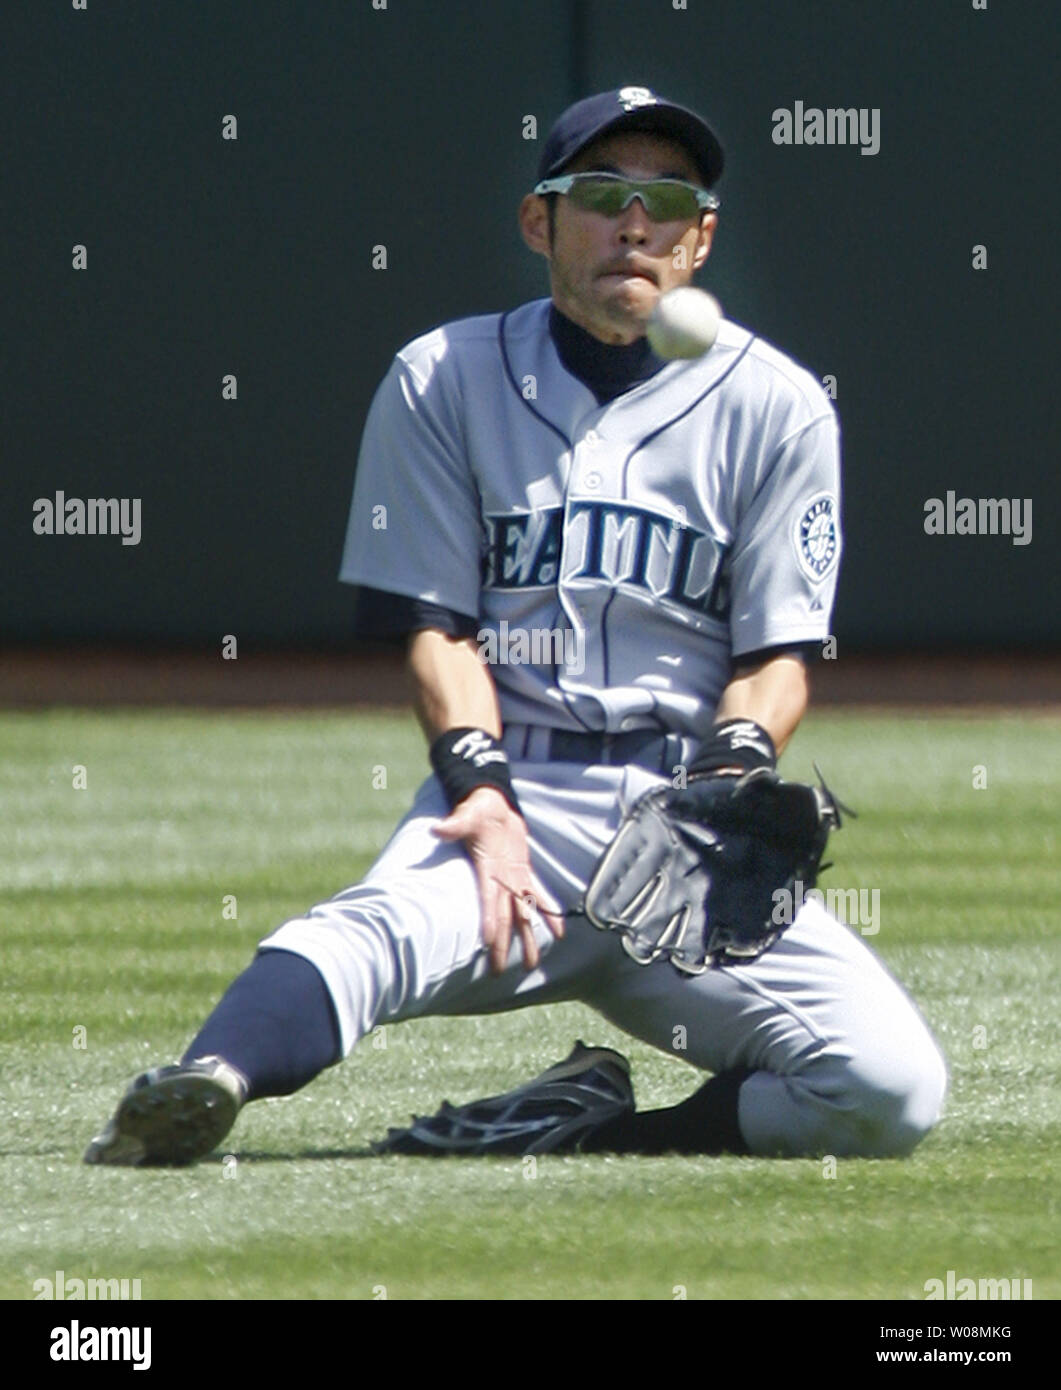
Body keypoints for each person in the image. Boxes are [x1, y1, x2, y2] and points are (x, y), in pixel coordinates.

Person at [86, 86, 946, 1167]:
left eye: (666, 200)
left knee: (887, 1090)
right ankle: (204, 1083)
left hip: (676, 834)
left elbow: (773, 655)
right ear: (539, 222)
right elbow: (436, 630)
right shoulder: (443, 377)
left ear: (701, 238)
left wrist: (732, 773)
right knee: (374, 936)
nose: (634, 224)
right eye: (600, 194)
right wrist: (481, 797)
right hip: (514, 792)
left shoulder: (775, 405)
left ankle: (593, 1132)